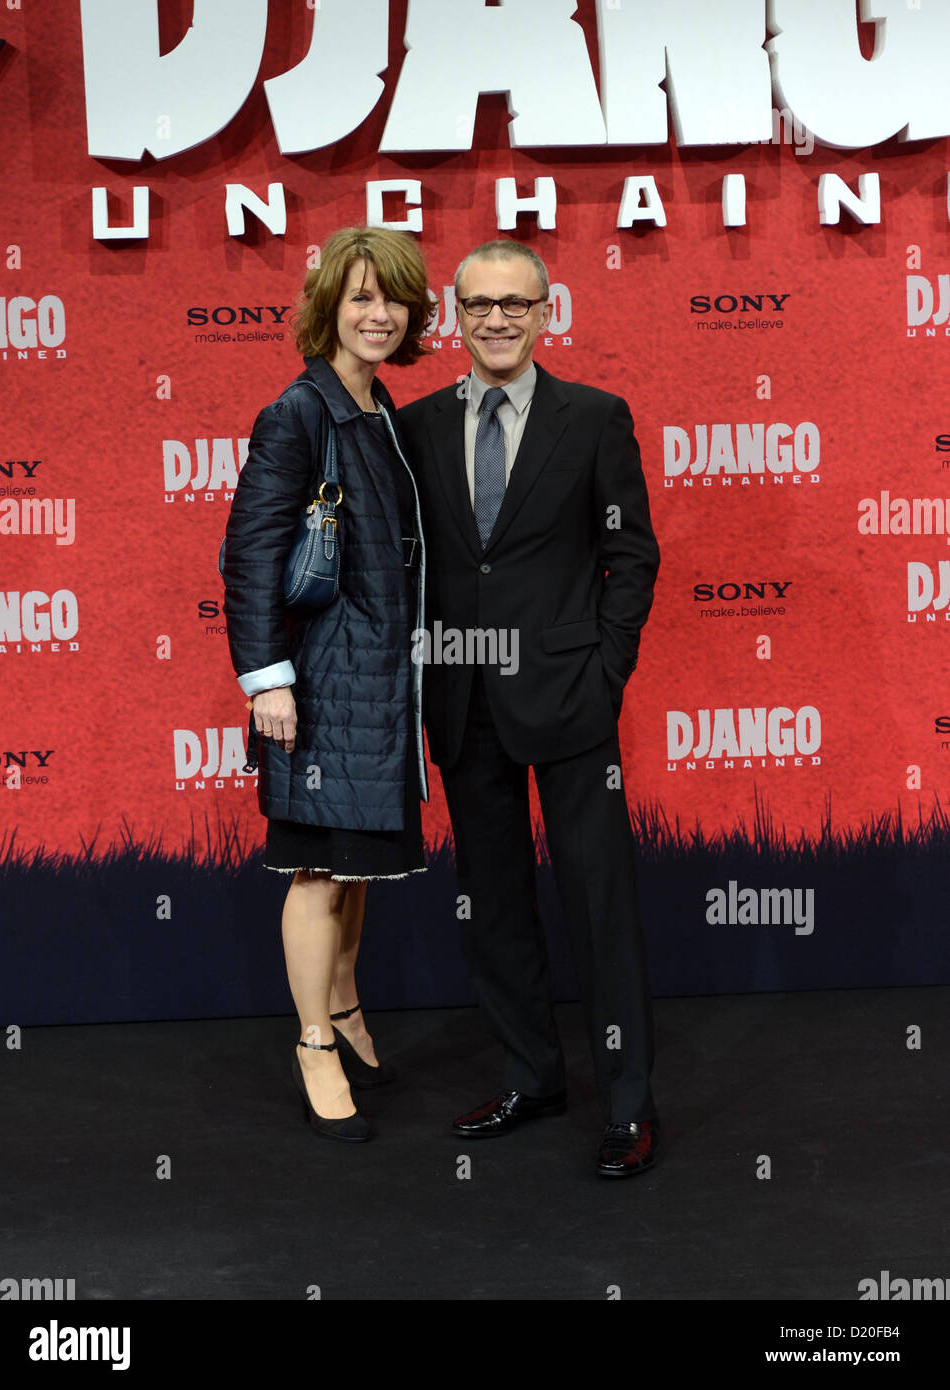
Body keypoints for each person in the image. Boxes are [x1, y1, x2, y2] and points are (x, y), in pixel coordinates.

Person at [398, 240, 661, 1178]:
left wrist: (605, 670)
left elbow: (629, 556)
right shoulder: (418, 425)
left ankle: (626, 1105)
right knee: (494, 905)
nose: (497, 319)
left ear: (547, 312)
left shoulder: (593, 418)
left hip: (569, 695)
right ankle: (531, 1074)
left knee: (600, 905)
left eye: (516, 303)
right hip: (463, 694)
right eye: (479, 305)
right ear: (452, 319)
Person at [222, 227, 432, 1143]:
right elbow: (251, 551)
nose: (377, 314)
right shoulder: (298, 410)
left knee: (357, 869)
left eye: (391, 299)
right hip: (321, 680)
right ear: (327, 309)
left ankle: (344, 1012)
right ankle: (313, 1040)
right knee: (316, 870)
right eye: (359, 297)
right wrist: (268, 680)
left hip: (379, 680)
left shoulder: (376, 403)